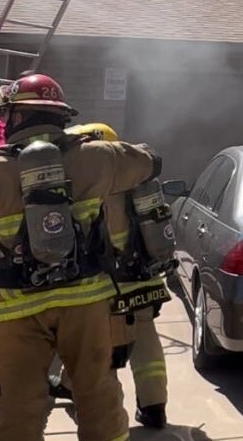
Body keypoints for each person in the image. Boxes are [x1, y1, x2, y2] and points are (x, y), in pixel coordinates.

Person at [0, 72, 160, 441]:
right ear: (60, 117)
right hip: (86, 301)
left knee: (19, 404)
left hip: (13, 308)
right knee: (97, 392)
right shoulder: (98, 158)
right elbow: (150, 163)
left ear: (17, 118)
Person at [49, 123, 172, 429]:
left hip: (103, 284)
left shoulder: (85, 184)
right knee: (146, 341)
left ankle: (106, 416)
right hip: (143, 278)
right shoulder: (137, 179)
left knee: (103, 347)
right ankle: (154, 406)